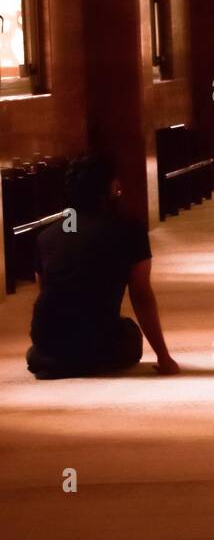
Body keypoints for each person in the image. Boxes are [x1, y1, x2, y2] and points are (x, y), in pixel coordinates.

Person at [26, 155, 180, 379]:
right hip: (100, 345)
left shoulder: (46, 236)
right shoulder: (129, 230)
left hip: (47, 347)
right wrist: (163, 356)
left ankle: (59, 360)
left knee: (40, 352)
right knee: (130, 333)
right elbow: (141, 294)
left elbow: (46, 291)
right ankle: (86, 358)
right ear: (113, 186)